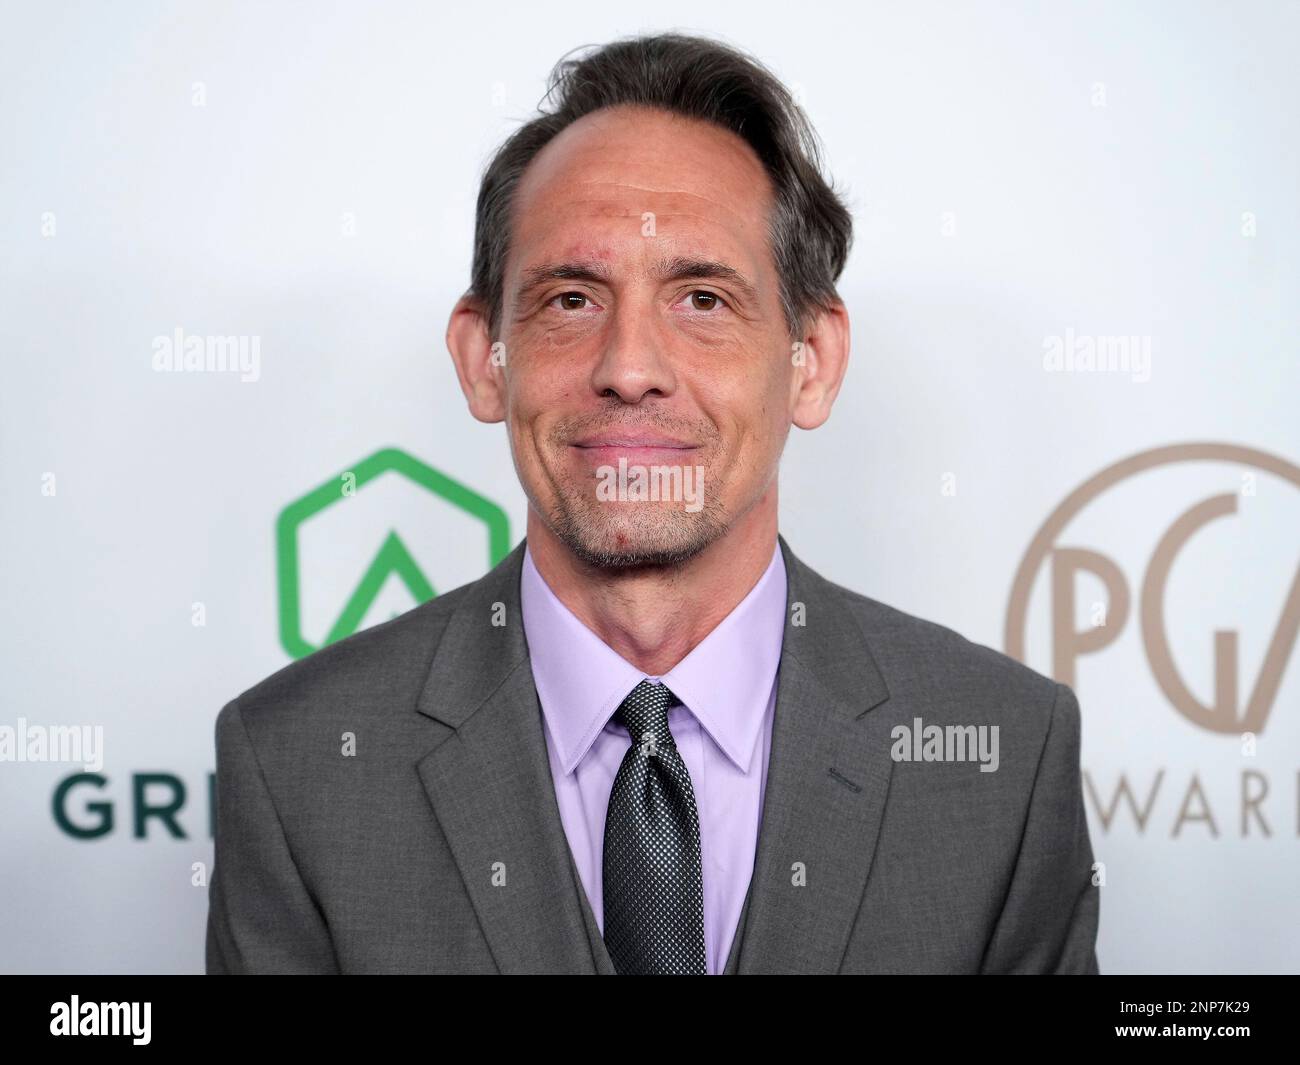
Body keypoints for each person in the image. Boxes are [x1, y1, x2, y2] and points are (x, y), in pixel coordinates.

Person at [206, 32, 1100, 974]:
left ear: (813, 361)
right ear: (482, 359)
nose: (630, 369)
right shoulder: (297, 765)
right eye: (571, 301)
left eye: (704, 299)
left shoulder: (1003, 757)